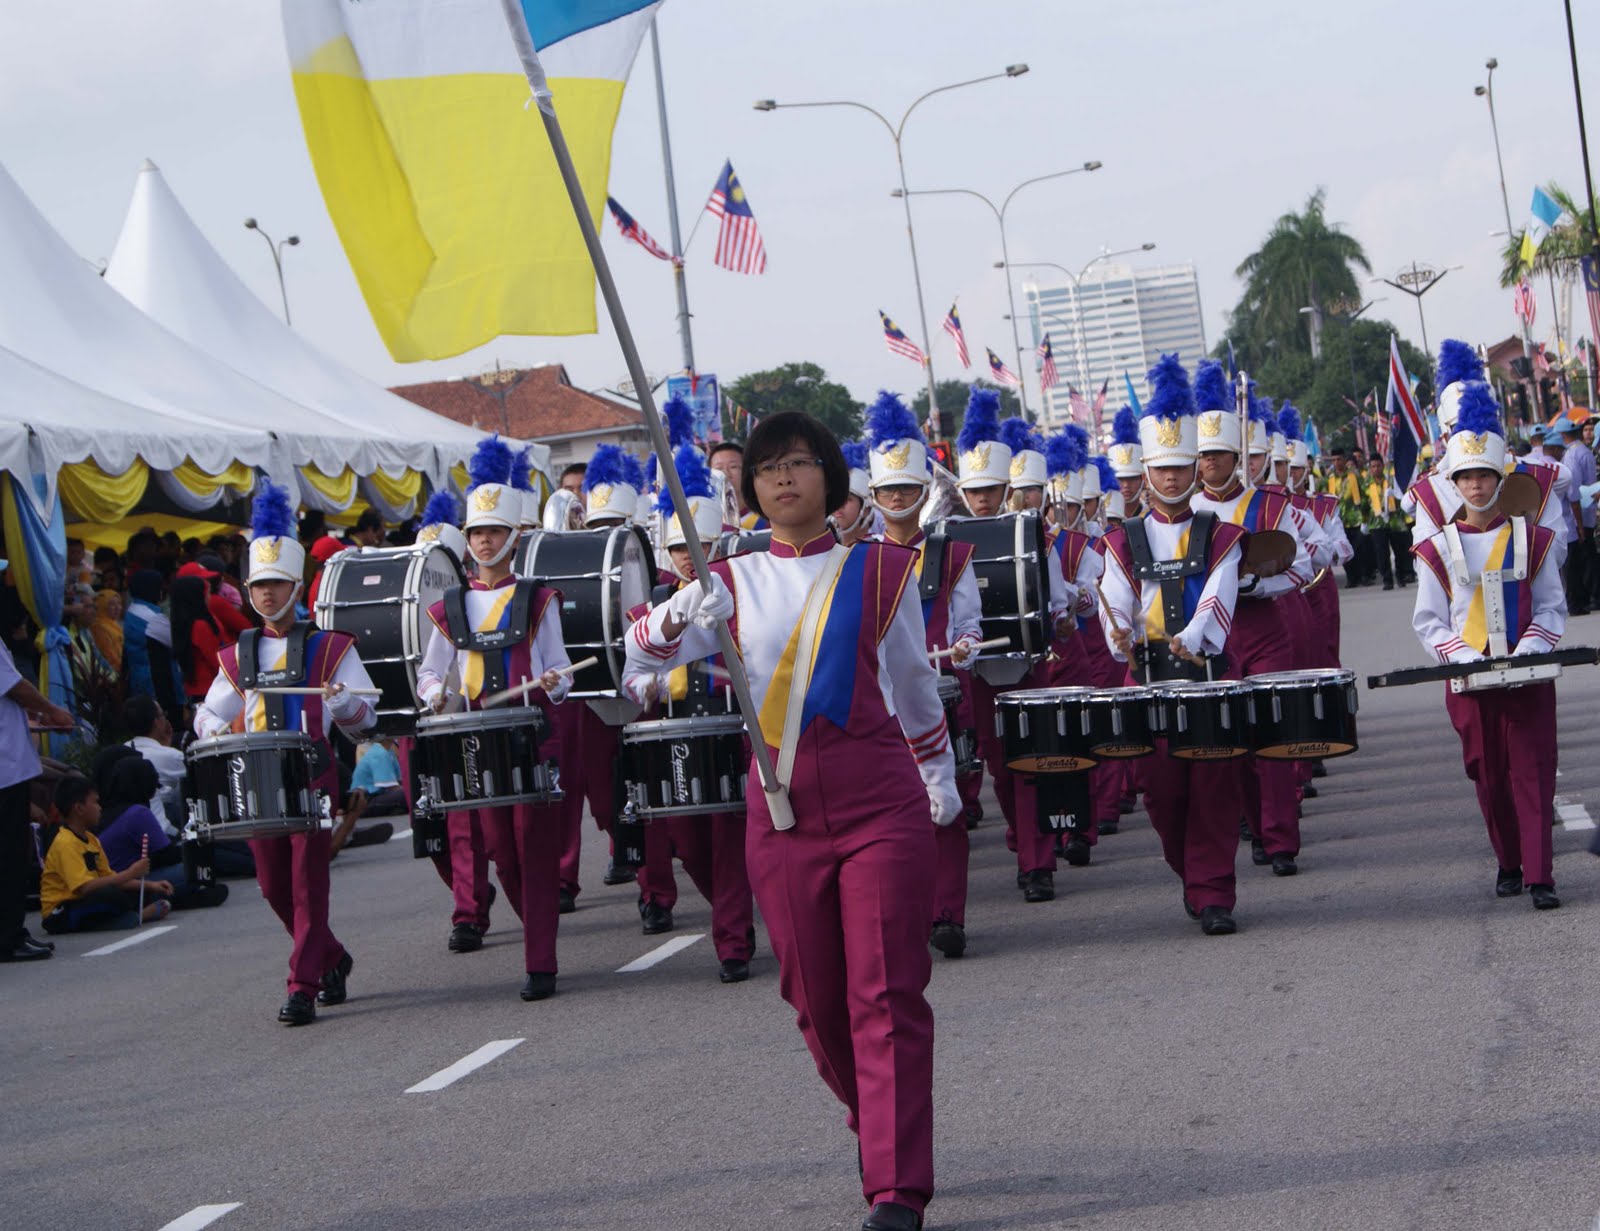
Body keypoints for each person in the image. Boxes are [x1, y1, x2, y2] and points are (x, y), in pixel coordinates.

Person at [624, 410, 957, 1231]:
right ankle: (871, 1119)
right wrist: (676, 617)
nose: (781, 477)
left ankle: (896, 1187)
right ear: (750, 487)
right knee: (813, 996)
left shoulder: (880, 569)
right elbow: (637, 666)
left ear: (829, 477)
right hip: (780, 808)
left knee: (885, 990)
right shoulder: (726, 582)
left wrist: (938, 775)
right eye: (767, 466)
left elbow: (914, 684)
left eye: (799, 463)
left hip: (879, 798)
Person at [195, 483, 378, 1026]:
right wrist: (211, 728)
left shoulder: (330, 647)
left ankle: (302, 985)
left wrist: (344, 705)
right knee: (274, 886)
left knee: (306, 882)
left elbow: (366, 719)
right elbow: (206, 715)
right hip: (256, 779)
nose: (268, 594)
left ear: (296, 585)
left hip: (312, 775)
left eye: (277, 584)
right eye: (258, 585)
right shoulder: (238, 654)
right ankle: (333, 957)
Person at [416, 439, 575, 999]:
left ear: (513, 538)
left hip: (528, 737)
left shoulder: (538, 600)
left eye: (493, 532)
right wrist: (436, 695)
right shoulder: (447, 609)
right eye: (477, 533)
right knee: (500, 851)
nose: (484, 541)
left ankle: (541, 961)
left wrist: (556, 682)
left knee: (532, 848)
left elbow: (559, 667)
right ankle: (538, 932)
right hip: (474, 743)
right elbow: (431, 676)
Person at [1098, 355, 1248, 935]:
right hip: (1149, 680)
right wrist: (1117, 627)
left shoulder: (1222, 533)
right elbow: (1115, 595)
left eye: (1181, 467)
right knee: (1160, 794)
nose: (1170, 479)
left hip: (1207, 675)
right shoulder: (1122, 538)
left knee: (1213, 784)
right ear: (1147, 469)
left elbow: (1219, 593)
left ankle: (1214, 895)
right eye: (1160, 469)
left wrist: (1191, 638)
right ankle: (1192, 874)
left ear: (1194, 469)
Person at [1411, 384, 1564, 910]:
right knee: (1488, 772)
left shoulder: (1532, 537)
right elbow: (1428, 620)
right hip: (1469, 681)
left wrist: (1530, 651)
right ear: (1454, 482)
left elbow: (1551, 607)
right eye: (1466, 477)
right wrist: (1465, 656)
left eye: (1484, 475)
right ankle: (1509, 862)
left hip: (1528, 674)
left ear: (1500, 478)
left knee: (1533, 767)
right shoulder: (1435, 546)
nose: (1476, 486)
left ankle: (1541, 875)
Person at [625, 444, 757, 981]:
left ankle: (733, 940)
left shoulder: (745, 596)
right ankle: (732, 914)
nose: (688, 557)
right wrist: (646, 689)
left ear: (717, 543)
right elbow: (630, 677)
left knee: (729, 842)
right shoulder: (647, 607)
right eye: (680, 547)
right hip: (673, 739)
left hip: (729, 731)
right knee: (688, 844)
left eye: (698, 546)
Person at [864, 391, 982, 958]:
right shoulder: (857, 559)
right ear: (874, 496)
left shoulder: (953, 554)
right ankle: (901, 917)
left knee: (948, 809)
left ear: (924, 493)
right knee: (891, 814)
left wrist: (964, 647)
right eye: (888, 490)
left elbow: (970, 624)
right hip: (880, 707)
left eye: (907, 489)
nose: (897, 498)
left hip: (941, 697)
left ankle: (946, 915)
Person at [1, 621, 75, 962]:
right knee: (11, 855)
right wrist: (52, 709)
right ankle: (10, 936)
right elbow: (15, 686)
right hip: (5, 766)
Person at [39, 775, 172, 933]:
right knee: (111, 896)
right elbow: (85, 888)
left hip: (86, 899)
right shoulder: (65, 843)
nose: (100, 807)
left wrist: (151, 885)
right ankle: (136, 917)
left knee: (134, 893)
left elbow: (108, 877)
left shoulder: (91, 840)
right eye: (95, 802)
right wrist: (131, 873)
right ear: (79, 808)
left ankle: (128, 916)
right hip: (61, 911)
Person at [96, 755, 228, 909]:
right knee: (197, 864)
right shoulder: (137, 813)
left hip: (109, 883)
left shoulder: (105, 812)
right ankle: (175, 897)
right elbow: (166, 855)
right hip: (130, 881)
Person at [123, 570, 183, 724]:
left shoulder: (133, 610)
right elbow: (177, 643)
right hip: (156, 683)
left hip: (139, 679)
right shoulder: (151, 617)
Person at [169, 574, 222, 706]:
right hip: (208, 688)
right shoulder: (200, 625)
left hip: (194, 688)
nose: (210, 597)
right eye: (207, 593)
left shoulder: (183, 622)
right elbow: (216, 660)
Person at [89, 590, 125, 674]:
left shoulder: (114, 624)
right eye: (112, 604)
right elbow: (109, 656)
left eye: (119, 603)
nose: (117, 607)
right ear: (102, 606)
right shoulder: (99, 627)